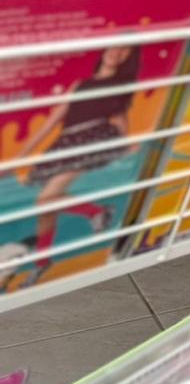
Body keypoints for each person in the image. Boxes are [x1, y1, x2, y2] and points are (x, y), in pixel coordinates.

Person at [4, 46, 141, 281]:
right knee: (47, 208)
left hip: (92, 139)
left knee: (46, 199)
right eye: (115, 48)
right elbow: (51, 123)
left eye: (124, 51)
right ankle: (42, 260)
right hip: (65, 143)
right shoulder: (80, 84)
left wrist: (125, 148)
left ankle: (98, 212)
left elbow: (119, 123)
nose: (116, 53)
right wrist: (19, 159)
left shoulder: (118, 89)